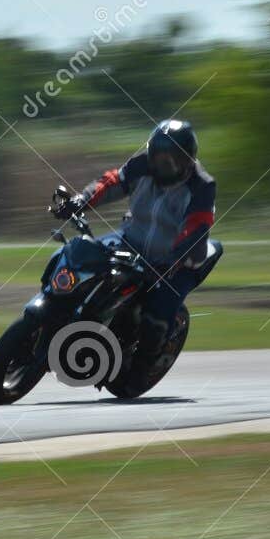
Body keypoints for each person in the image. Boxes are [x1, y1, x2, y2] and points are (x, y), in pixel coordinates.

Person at [57, 119, 219, 371]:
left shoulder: (202, 186)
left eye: (172, 159)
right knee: (77, 255)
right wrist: (81, 200)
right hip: (131, 240)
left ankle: (144, 365)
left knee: (156, 316)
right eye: (158, 157)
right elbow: (111, 183)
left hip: (178, 259)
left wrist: (177, 257)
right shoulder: (142, 165)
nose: (163, 165)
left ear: (188, 159)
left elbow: (197, 227)